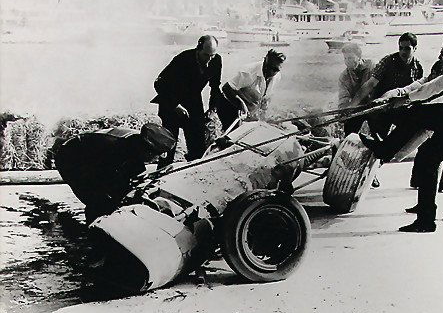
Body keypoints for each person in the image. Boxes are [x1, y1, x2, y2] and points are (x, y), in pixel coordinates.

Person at [360, 24, 443, 233]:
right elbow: (430, 82)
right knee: (426, 155)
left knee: (418, 124)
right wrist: (401, 94)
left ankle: (425, 220)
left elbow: (438, 85)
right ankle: (424, 209)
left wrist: (405, 99)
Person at [53, 124, 176, 225]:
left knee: (116, 195)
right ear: (147, 151)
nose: (156, 159)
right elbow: (104, 180)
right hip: (71, 157)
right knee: (97, 199)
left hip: (92, 155)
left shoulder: (134, 148)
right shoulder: (116, 150)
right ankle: (95, 229)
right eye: (156, 155)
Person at [151, 35, 222, 164]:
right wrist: (175, 105)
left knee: (198, 147)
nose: (209, 59)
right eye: (206, 55)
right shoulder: (183, 59)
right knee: (168, 147)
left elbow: (215, 87)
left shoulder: (216, 60)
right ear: (198, 50)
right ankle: (162, 173)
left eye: (212, 55)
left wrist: (212, 109)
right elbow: (159, 84)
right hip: (171, 100)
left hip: (193, 101)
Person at [407, 37, 443, 194]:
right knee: (429, 148)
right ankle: (419, 180)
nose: (440, 56)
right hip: (435, 109)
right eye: (441, 52)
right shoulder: (439, 65)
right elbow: (430, 85)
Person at [349, 32, 424, 138]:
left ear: (415, 49)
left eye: (407, 49)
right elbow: (370, 84)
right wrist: (352, 106)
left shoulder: (418, 68)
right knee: (372, 134)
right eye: (400, 48)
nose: (403, 52)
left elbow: (416, 93)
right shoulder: (388, 61)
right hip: (379, 106)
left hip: (398, 107)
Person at [218, 48, 286, 129]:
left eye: (275, 69)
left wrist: (263, 118)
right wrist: (241, 104)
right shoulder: (248, 72)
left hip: (247, 110)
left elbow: (265, 100)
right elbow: (226, 88)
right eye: (268, 67)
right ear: (265, 61)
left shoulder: (277, 77)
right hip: (228, 104)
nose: (270, 72)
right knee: (234, 135)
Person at [337, 42, 375, 135]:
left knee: (378, 132)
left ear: (359, 57)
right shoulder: (344, 76)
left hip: (374, 105)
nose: (347, 61)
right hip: (356, 107)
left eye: (350, 58)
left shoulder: (372, 66)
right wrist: (343, 112)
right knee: (349, 131)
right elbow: (343, 97)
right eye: (345, 58)